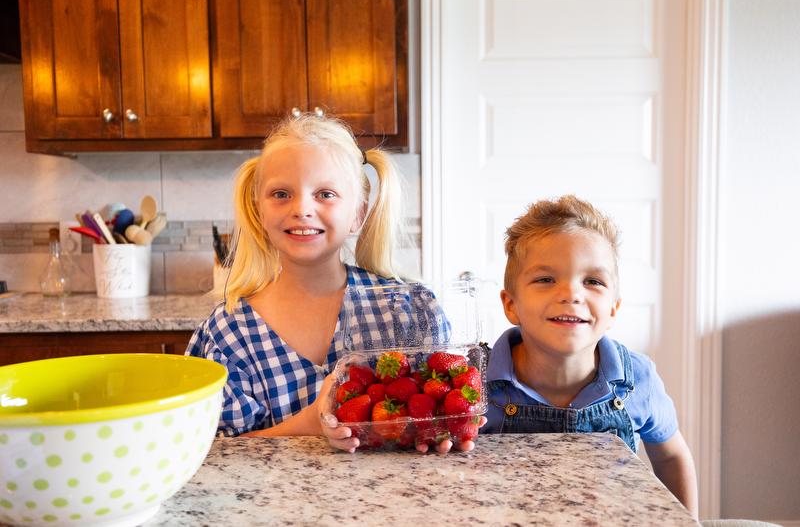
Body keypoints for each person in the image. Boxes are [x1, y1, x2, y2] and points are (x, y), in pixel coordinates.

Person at [187, 113, 473, 453]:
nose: (302, 208)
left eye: (325, 193)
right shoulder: (230, 333)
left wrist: (446, 432)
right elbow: (212, 455)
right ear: (259, 210)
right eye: (281, 193)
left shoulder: (408, 312)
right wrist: (309, 424)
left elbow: (439, 414)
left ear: (357, 214)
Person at [482, 194, 698, 517]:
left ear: (613, 310)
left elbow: (671, 457)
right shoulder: (474, 384)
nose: (571, 293)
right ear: (511, 305)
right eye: (545, 279)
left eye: (593, 281)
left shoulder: (637, 379)